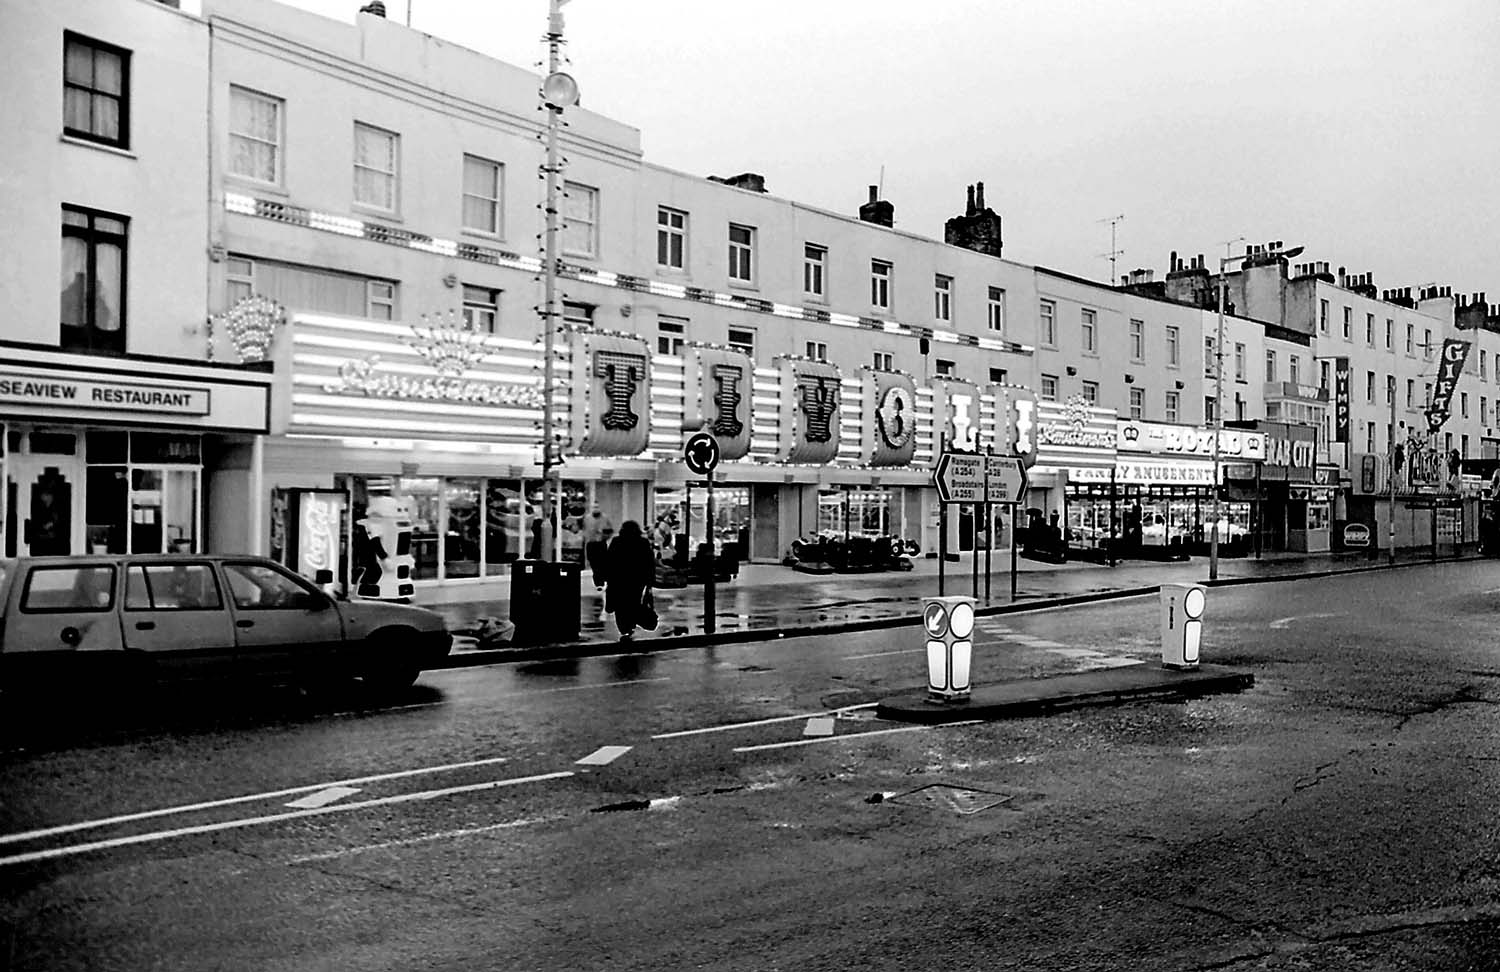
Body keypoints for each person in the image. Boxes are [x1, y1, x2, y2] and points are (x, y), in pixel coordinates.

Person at [605, 520, 656, 641]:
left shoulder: (617, 541)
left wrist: (608, 577)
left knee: (620, 604)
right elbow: (649, 563)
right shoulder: (642, 542)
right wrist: (649, 581)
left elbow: (610, 560)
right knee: (633, 601)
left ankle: (624, 628)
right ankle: (630, 625)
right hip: (636, 580)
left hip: (619, 579)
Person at [584, 506, 615, 589]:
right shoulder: (587, 518)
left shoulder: (605, 518)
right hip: (591, 543)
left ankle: (600, 582)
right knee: (593, 563)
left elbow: (610, 530)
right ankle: (598, 581)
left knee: (602, 563)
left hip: (601, 543)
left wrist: (604, 535)